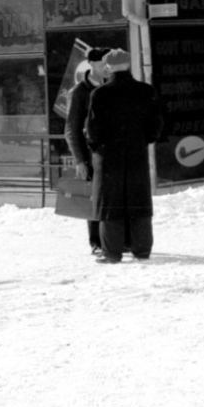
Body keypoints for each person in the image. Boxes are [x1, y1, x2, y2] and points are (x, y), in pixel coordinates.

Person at [84, 48, 164, 262]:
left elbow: (93, 129)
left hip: (109, 157)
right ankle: (142, 249)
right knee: (139, 201)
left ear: (108, 67)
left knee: (111, 205)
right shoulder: (146, 91)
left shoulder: (100, 93)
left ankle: (112, 253)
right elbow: (155, 124)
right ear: (129, 65)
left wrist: (98, 148)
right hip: (137, 154)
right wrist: (143, 140)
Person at [64, 51, 107, 253]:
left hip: (111, 153)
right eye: (102, 63)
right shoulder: (80, 92)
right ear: (91, 64)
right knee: (94, 198)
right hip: (91, 156)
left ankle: (117, 239)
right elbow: (72, 129)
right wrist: (80, 160)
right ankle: (96, 242)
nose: (106, 67)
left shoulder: (111, 86)